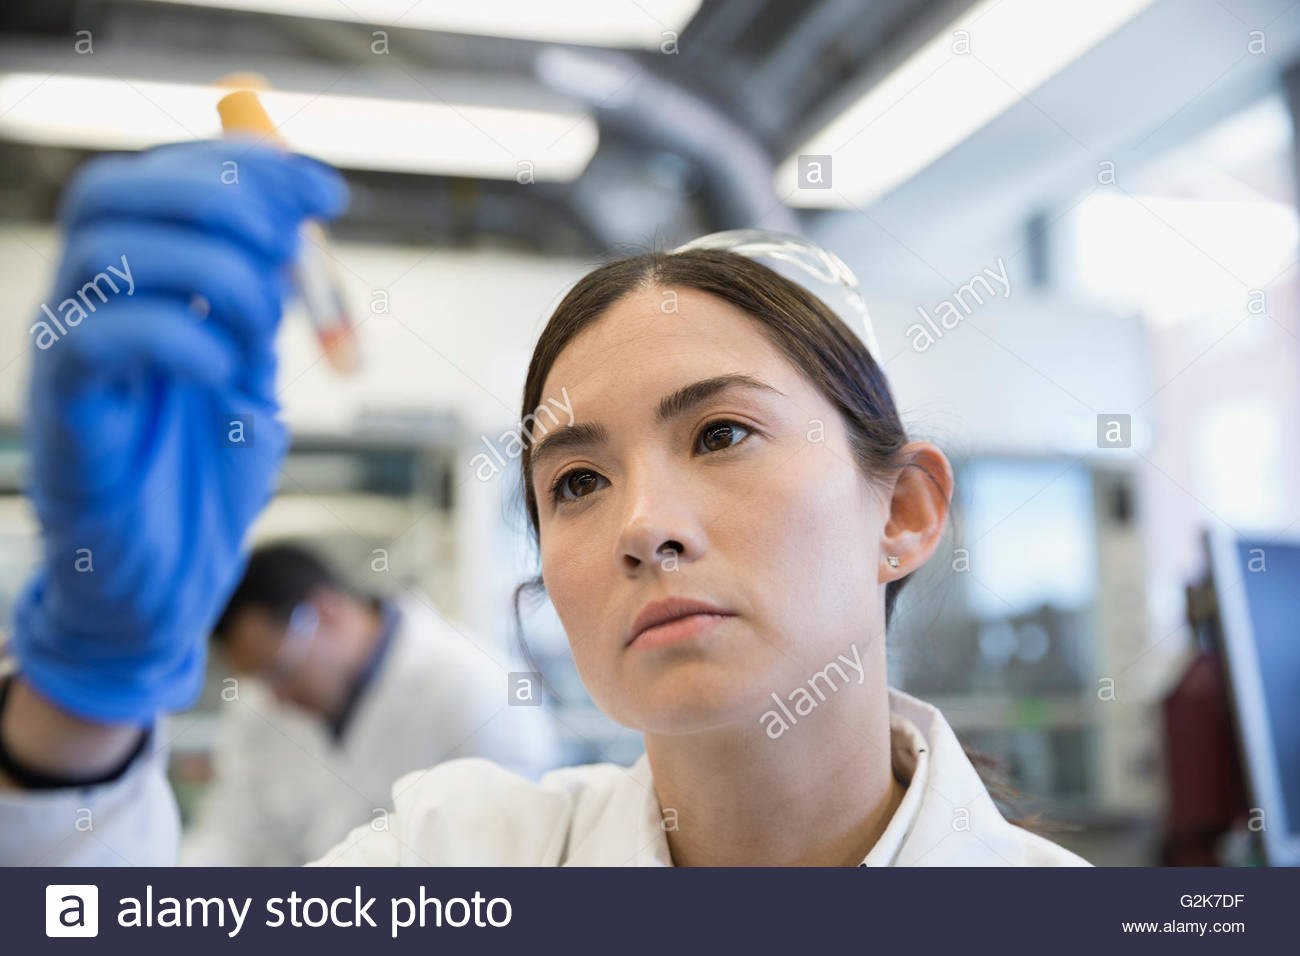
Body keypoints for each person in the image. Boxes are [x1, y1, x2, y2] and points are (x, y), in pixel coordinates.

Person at [0, 140, 1089, 866]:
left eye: (721, 433)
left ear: (902, 510)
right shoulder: (451, 859)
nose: (642, 525)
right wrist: (85, 691)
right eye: (576, 482)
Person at [180, 543, 561, 865]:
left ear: (326, 614)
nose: (274, 696)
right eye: (260, 678)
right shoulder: (263, 702)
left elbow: (515, 855)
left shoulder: (477, 688)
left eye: (279, 670)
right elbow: (231, 834)